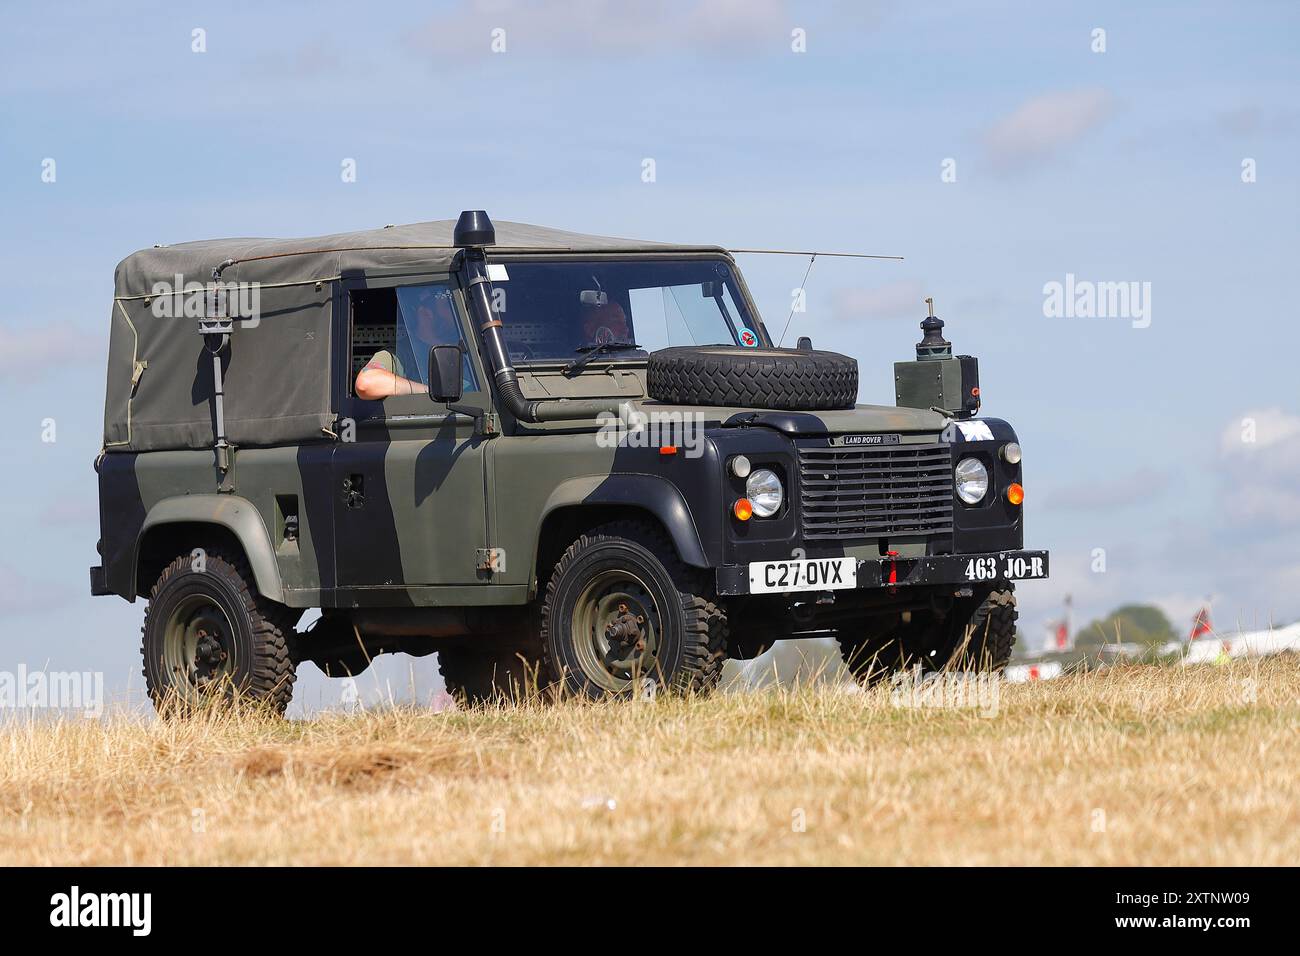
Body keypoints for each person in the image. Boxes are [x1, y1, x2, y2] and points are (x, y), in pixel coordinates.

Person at [355, 287, 469, 399]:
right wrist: (431, 392)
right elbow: (366, 383)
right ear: (426, 314)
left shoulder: (466, 347)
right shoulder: (402, 352)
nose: (455, 311)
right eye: (447, 306)